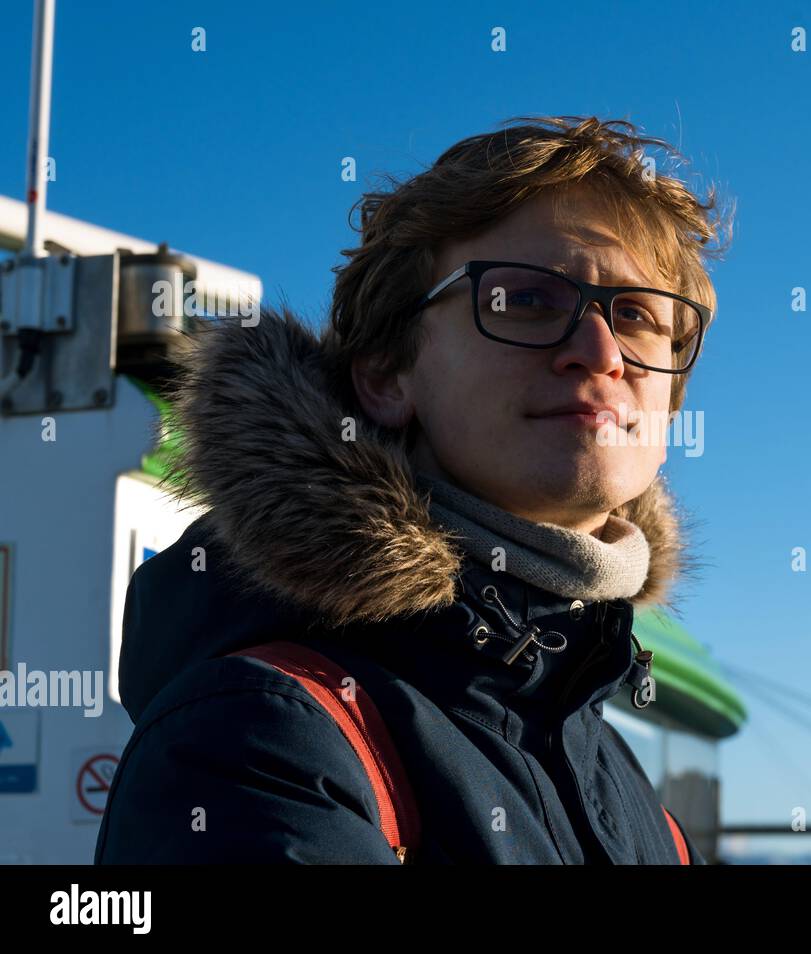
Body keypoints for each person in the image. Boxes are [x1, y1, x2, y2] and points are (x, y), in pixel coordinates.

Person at [94, 115, 731, 864]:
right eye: (525, 302)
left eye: (638, 316)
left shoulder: (631, 800)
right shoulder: (257, 737)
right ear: (387, 376)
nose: (599, 354)